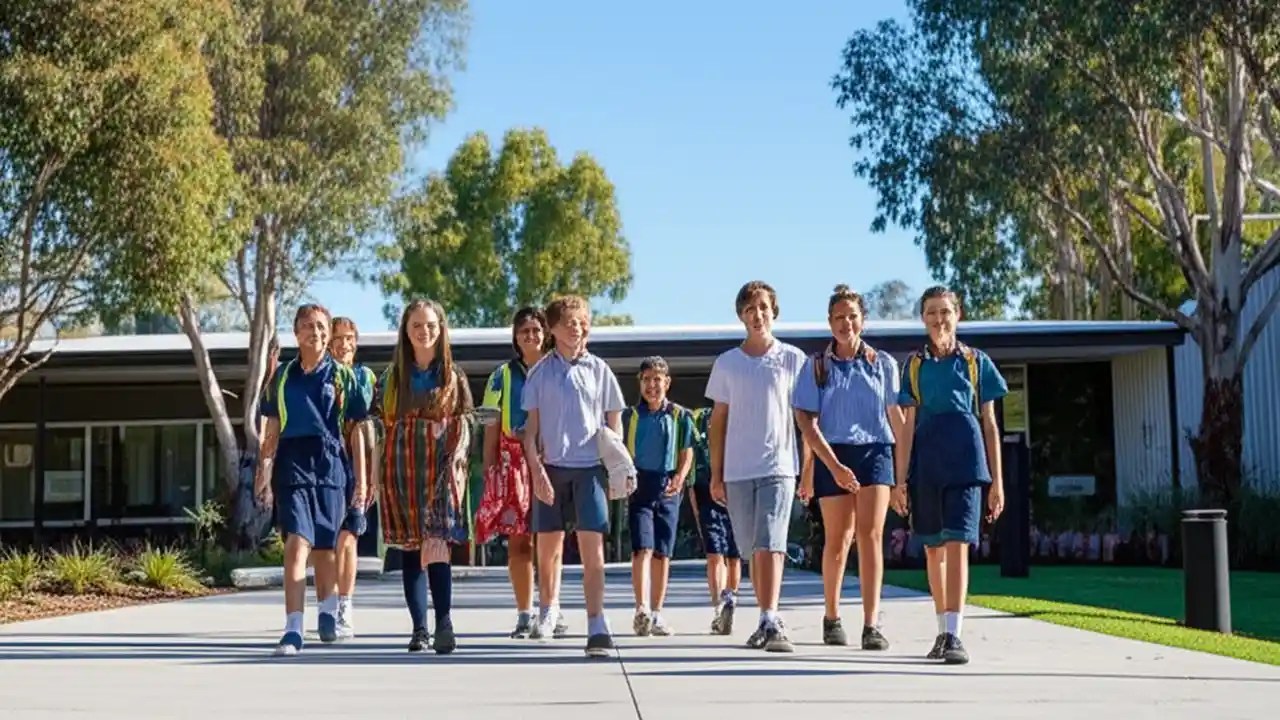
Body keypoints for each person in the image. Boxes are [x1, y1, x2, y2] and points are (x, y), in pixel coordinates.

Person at [892, 285, 1007, 665]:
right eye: (931, 313)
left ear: (958, 315)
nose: (939, 320)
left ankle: (956, 634)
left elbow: (990, 424)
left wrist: (996, 482)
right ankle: (942, 630)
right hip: (926, 464)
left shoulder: (977, 362)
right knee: (932, 548)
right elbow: (906, 426)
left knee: (958, 544)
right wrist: (900, 479)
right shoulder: (914, 366)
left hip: (967, 463)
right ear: (922, 319)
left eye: (945, 312)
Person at [254, 304, 371, 656]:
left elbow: (358, 432)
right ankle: (292, 629)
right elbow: (271, 428)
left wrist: (363, 482)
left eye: (321, 326)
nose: (315, 332)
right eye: (307, 326)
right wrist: (264, 469)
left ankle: (327, 610)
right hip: (293, 463)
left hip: (331, 463)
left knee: (325, 546)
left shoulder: (344, 377)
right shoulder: (282, 377)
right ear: (296, 333)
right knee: (296, 543)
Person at [792, 284, 901, 650]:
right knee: (838, 539)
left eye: (852, 316)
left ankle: (872, 624)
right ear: (829, 322)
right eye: (839, 317)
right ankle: (832, 616)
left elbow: (896, 417)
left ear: (863, 321)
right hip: (831, 452)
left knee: (870, 537)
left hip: (876, 452)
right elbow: (806, 422)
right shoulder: (817, 366)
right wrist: (831, 466)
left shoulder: (883, 364)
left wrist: (904, 470)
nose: (846, 323)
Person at [521, 294, 626, 658]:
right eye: (569, 322)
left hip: (590, 471)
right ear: (552, 329)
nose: (577, 327)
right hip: (552, 469)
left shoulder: (600, 370)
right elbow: (530, 432)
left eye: (582, 321)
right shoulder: (539, 374)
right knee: (547, 549)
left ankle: (597, 623)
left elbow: (615, 425)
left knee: (592, 551)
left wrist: (617, 464)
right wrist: (537, 472)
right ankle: (548, 611)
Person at [705, 280, 807, 653]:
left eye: (763, 307)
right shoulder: (727, 363)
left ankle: (769, 617)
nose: (757, 314)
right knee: (750, 548)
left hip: (779, 466)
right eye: (750, 309)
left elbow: (806, 420)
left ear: (773, 311)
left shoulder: (793, 359)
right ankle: (764, 618)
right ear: (741, 316)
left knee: (770, 542)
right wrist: (716, 474)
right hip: (736, 471)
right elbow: (718, 423)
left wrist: (808, 468)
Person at [374, 299, 475, 654]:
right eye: (416, 324)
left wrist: (456, 458)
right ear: (406, 330)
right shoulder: (391, 379)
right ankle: (419, 629)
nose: (424, 331)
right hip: (400, 471)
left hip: (440, 470)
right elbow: (379, 428)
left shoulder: (453, 376)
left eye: (431, 324)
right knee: (411, 548)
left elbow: (467, 422)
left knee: (436, 546)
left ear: (441, 329)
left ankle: (444, 621)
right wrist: (374, 478)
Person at [474, 306, 567, 640]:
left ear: (546, 333)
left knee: (551, 539)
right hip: (512, 461)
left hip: (552, 459)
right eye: (524, 330)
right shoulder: (502, 375)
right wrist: (489, 467)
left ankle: (551, 607)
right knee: (519, 541)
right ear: (515, 337)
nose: (531, 336)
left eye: (537, 329)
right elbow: (490, 423)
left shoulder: (558, 369)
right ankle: (524, 612)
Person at [621, 356, 694, 637]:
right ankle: (640, 608)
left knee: (663, 552)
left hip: (668, 485)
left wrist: (680, 477)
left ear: (667, 383)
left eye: (657, 380)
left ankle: (656, 612)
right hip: (640, 484)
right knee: (642, 547)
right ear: (640, 384)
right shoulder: (630, 417)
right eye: (647, 380)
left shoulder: (680, 416)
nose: (652, 385)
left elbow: (686, 451)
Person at [327, 316, 379, 640]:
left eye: (349, 338)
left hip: (356, 462)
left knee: (349, 537)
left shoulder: (366, 376)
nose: (344, 344)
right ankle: (328, 603)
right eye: (338, 338)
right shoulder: (323, 374)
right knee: (330, 541)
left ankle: (345, 604)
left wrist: (371, 477)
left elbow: (370, 429)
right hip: (326, 462)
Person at [688, 405, 742, 634]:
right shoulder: (699, 418)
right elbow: (692, 469)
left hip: (734, 489)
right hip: (710, 489)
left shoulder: (739, 416)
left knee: (729, 554)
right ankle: (723, 603)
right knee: (721, 554)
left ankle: (726, 601)